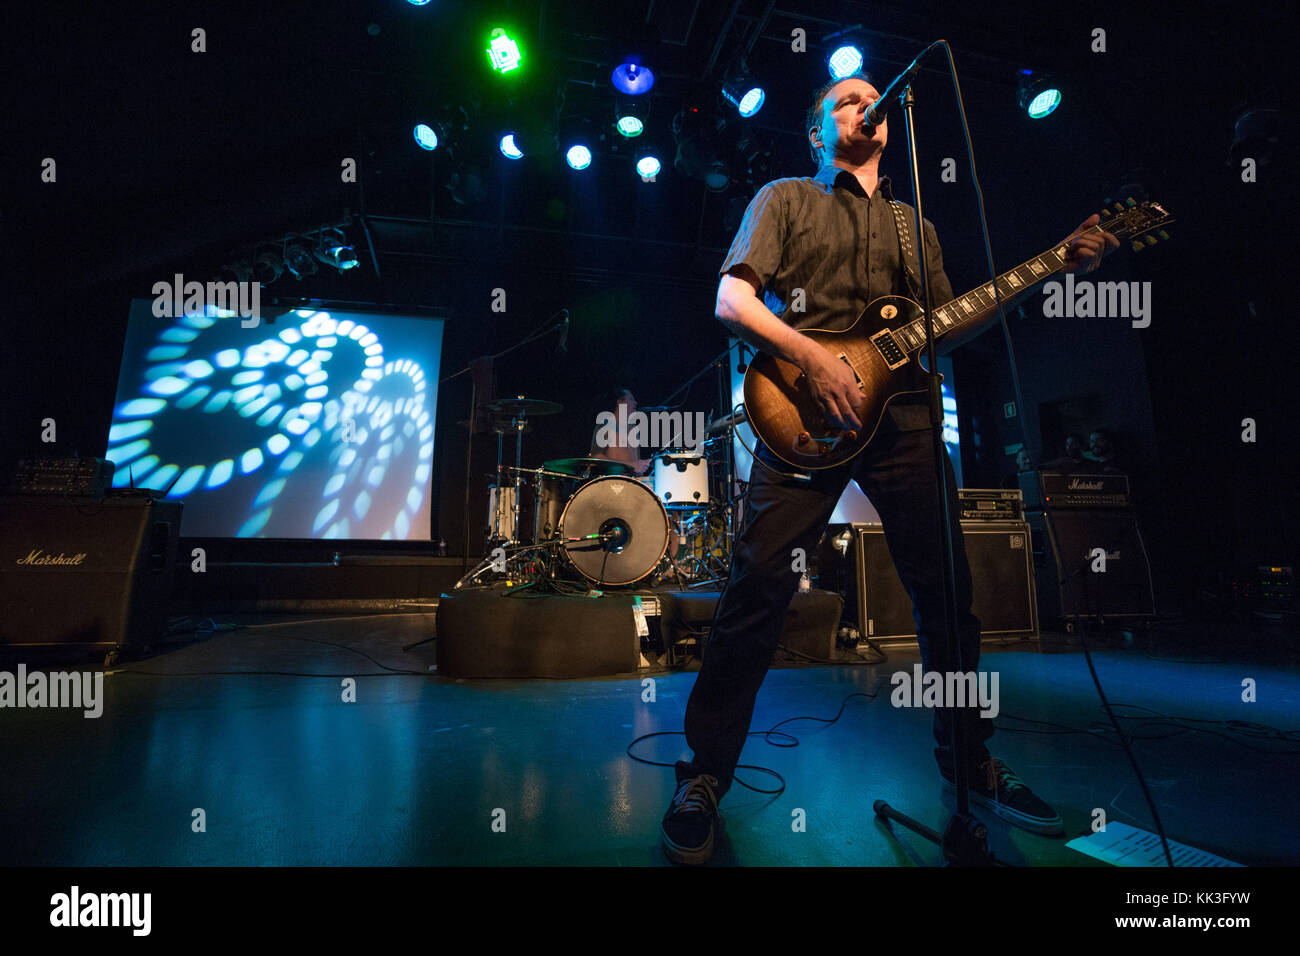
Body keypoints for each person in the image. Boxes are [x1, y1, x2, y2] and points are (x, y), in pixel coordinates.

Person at [659, 72, 1118, 864]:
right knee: (758, 584)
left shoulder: (916, 229)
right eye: (843, 97)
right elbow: (733, 304)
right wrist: (814, 358)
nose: (863, 103)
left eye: (872, 96)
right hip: (800, 408)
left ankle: (970, 763)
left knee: (949, 600)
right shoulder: (785, 199)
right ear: (816, 132)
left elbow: (947, 330)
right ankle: (704, 774)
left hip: (903, 422)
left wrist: (1050, 266)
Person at [589, 387, 652, 476]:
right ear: (620, 401)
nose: (635, 403)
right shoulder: (605, 425)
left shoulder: (634, 429)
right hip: (613, 482)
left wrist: (641, 472)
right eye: (631, 399)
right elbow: (596, 456)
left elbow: (636, 463)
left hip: (633, 482)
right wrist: (632, 464)